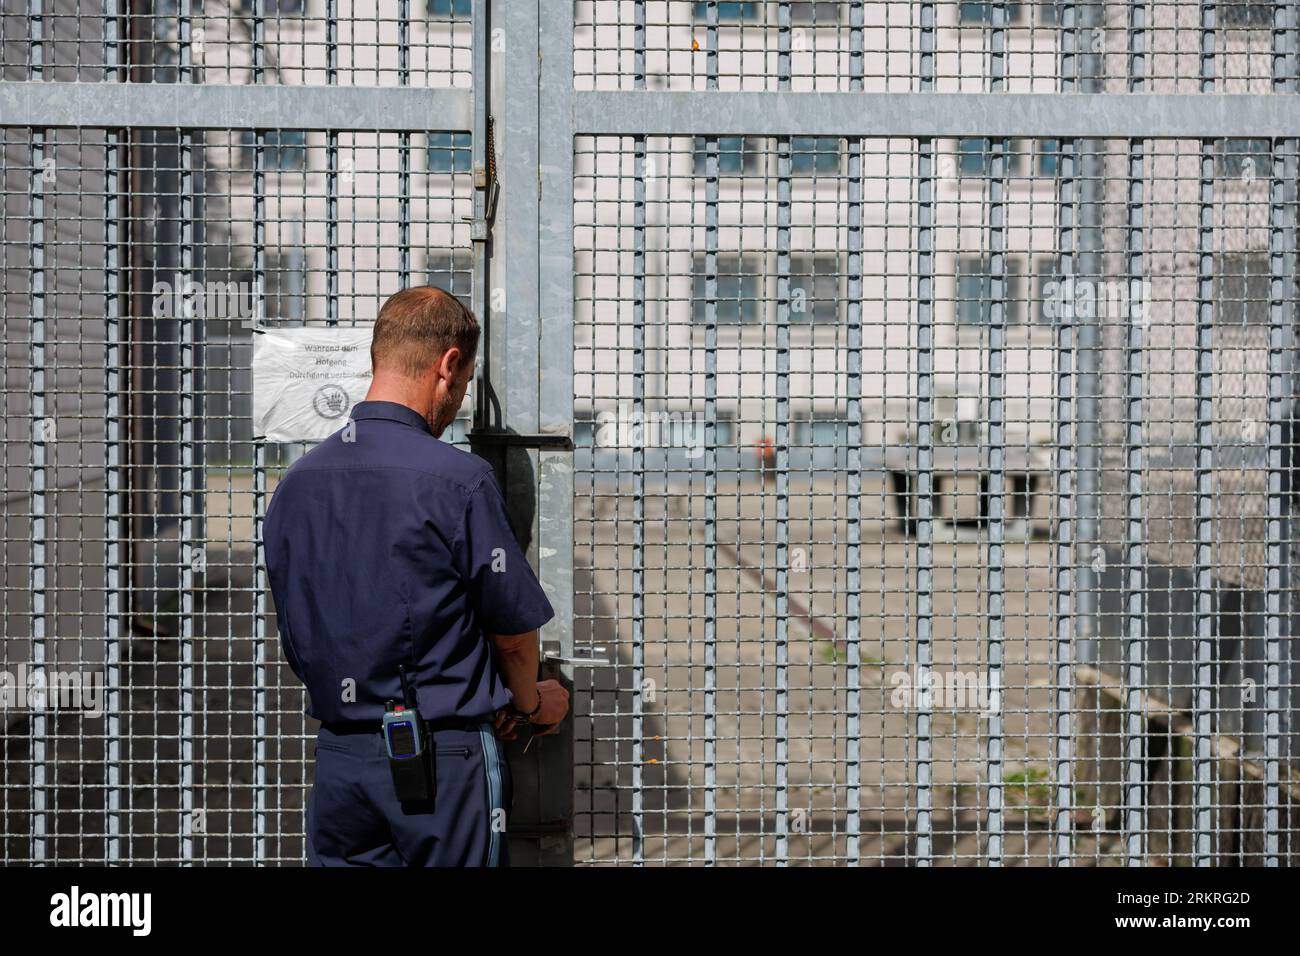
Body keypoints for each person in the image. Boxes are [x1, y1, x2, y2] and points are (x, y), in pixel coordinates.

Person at [263, 285, 570, 866]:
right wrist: (531, 705)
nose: (456, 401)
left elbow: (297, 622)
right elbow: (511, 634)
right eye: (464, 381)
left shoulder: (296, 485)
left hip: (340, 760)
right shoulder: (459, 481)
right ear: (449, 365)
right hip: (443, 758)